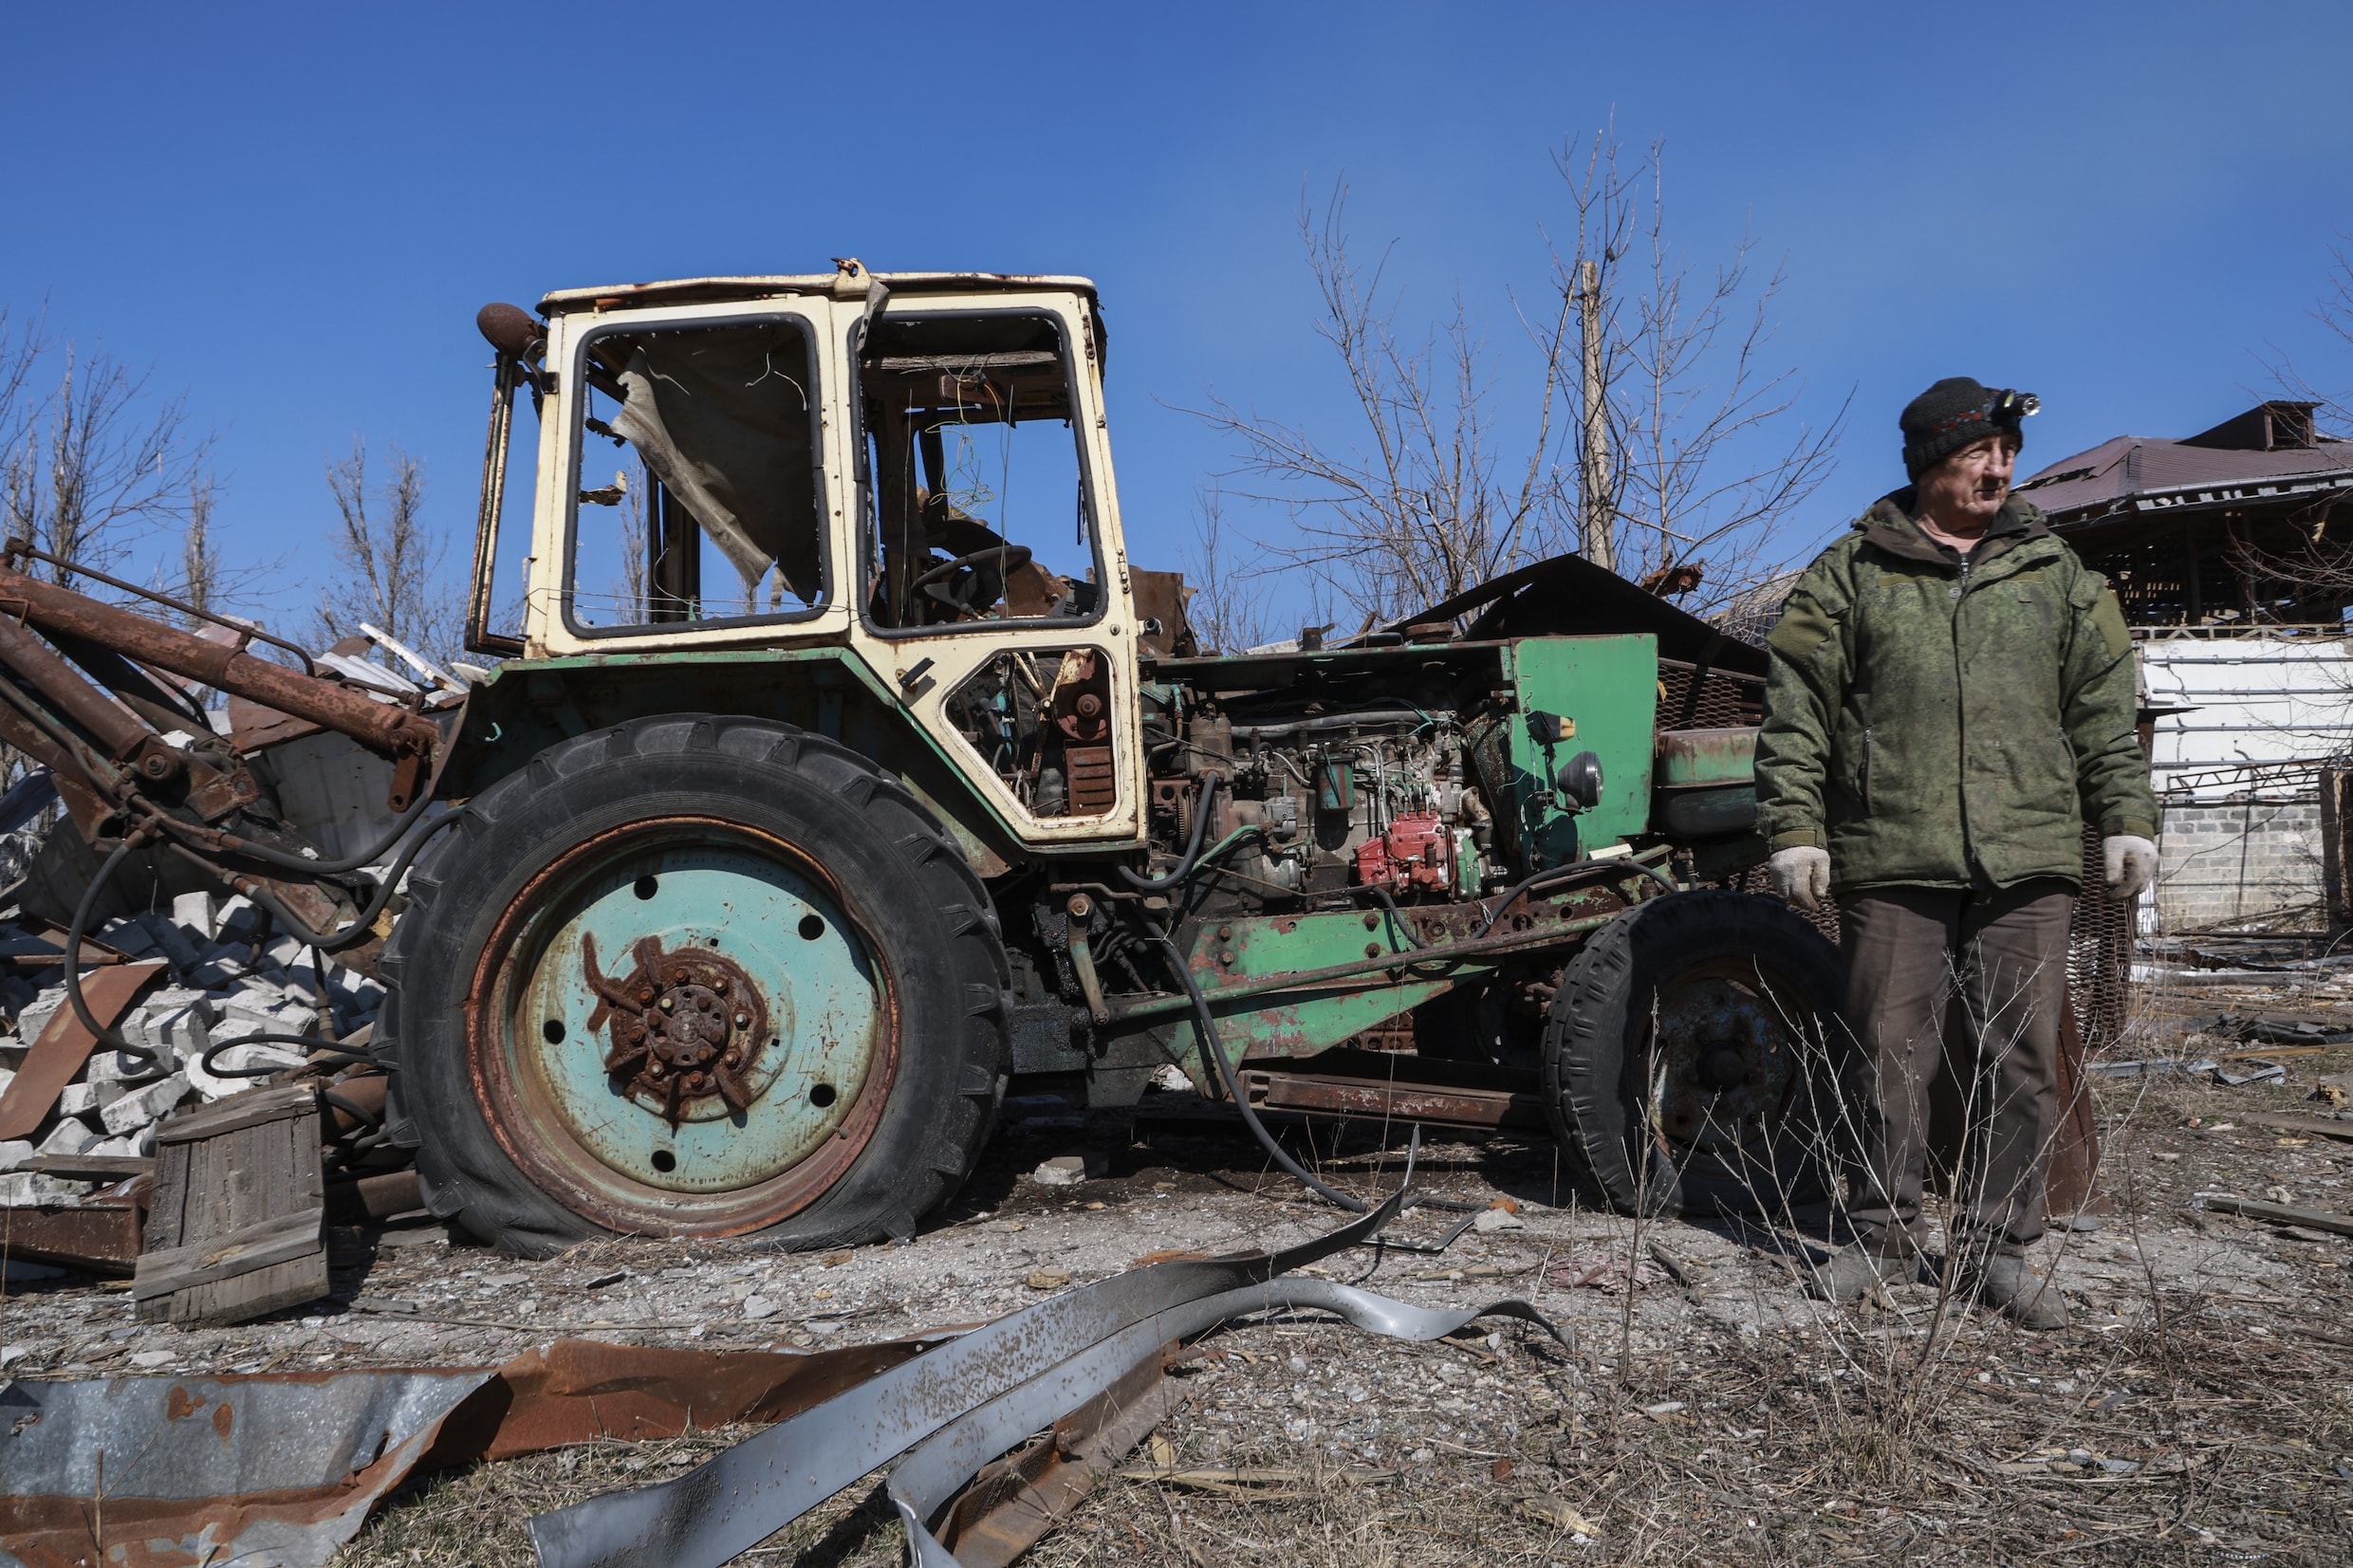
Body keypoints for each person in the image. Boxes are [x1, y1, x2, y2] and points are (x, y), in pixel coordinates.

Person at [1754, 377, 2159, 1330]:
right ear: (1928, 462)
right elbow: (1795, 710)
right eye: (1979, 453)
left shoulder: (2051, 572)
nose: (1998, 468)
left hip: (2026, 856)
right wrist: (1794, 827)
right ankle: (1874, 1238)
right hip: (1892, 853)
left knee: (2018, 1060)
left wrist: (2124, 814)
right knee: (1883, 1053)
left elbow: (2102, 707)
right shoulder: (1850, 571)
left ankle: (1998, 1249)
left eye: (2006, 454)